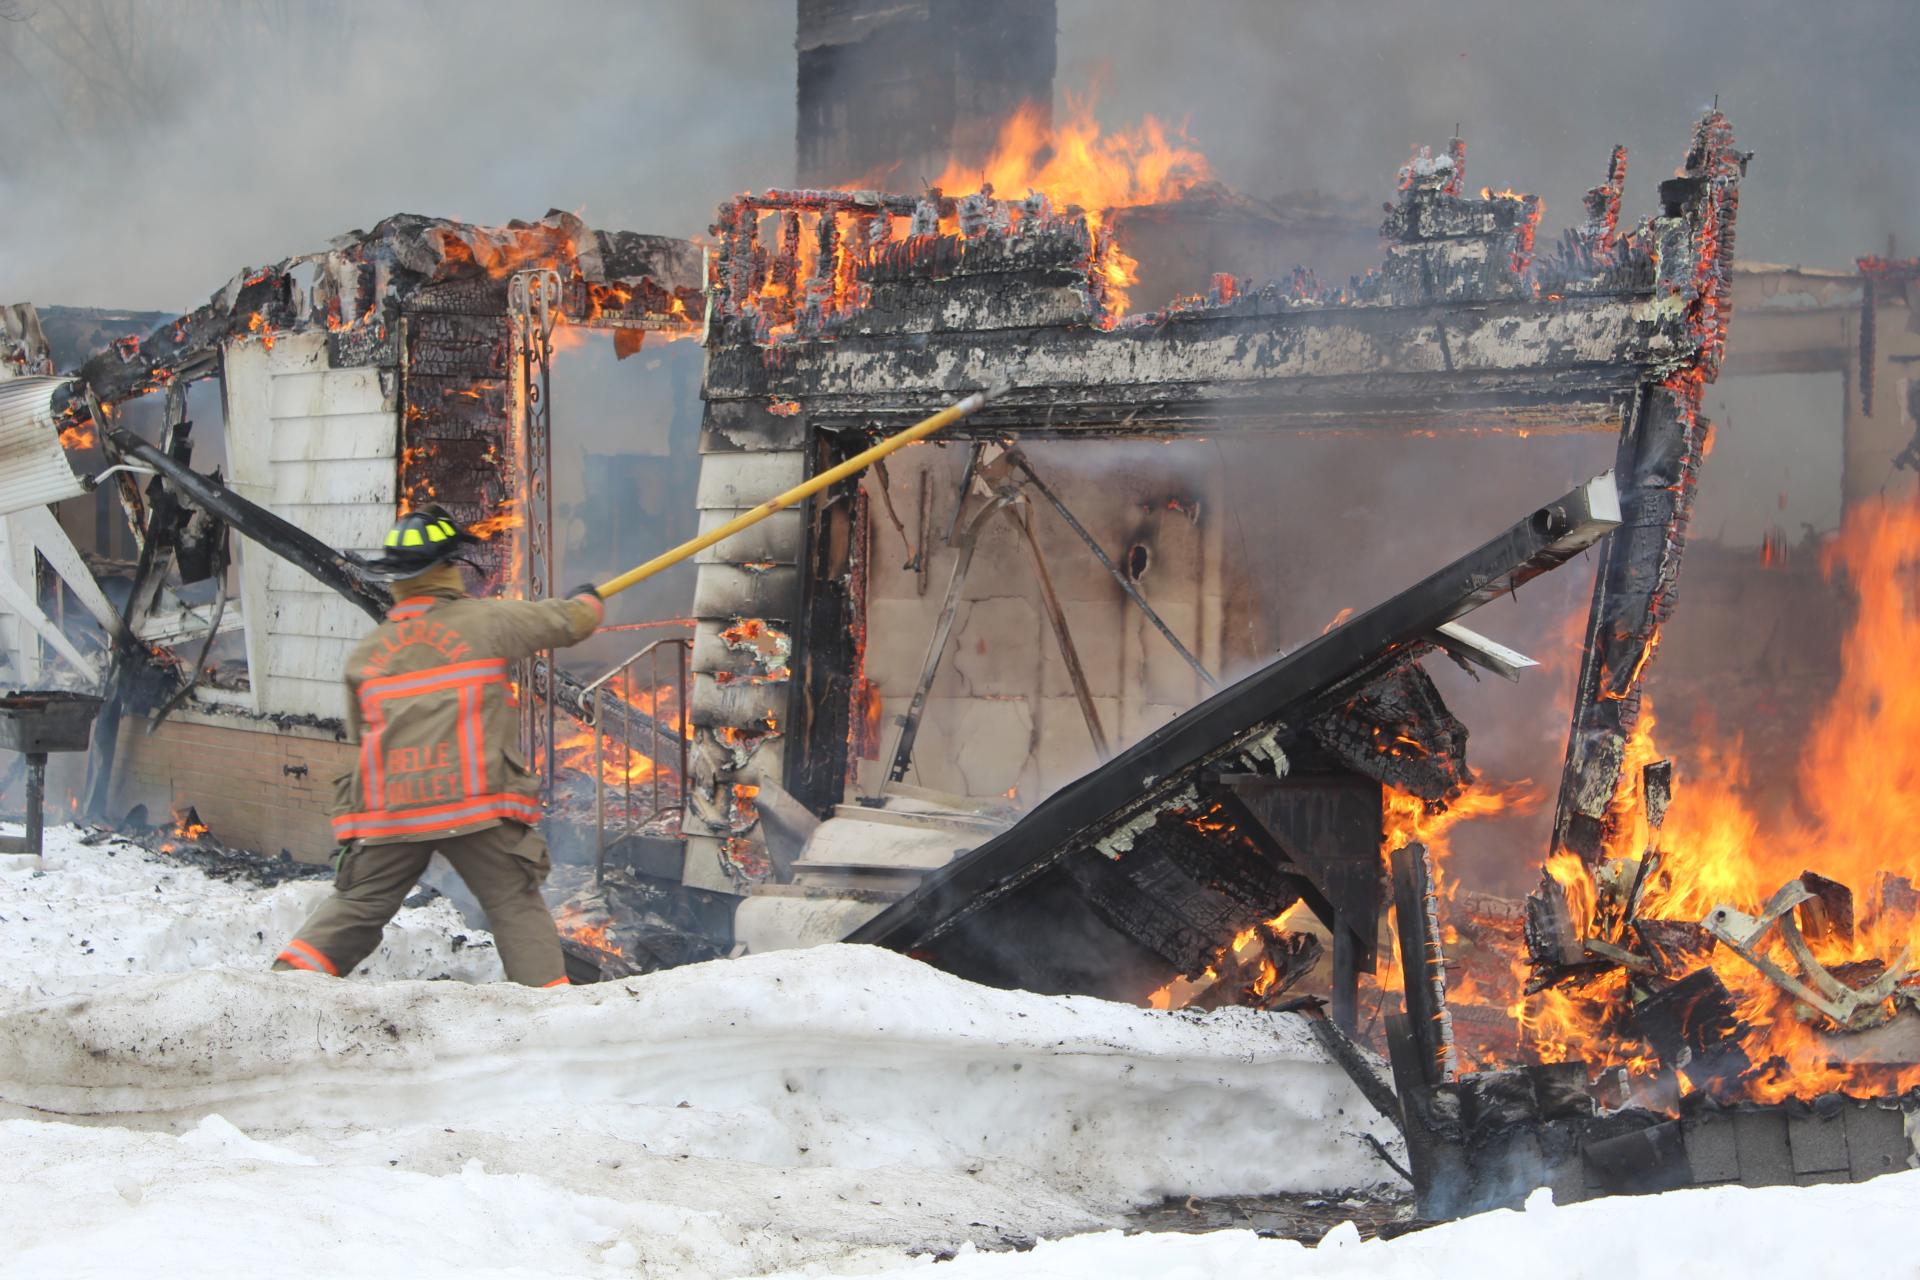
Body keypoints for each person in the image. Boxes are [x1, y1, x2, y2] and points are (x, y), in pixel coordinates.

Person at [273, 505, 603, 987]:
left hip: (390, 810)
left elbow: (361, 737)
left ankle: (281, 990)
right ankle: (551, 1013)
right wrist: (588, 599)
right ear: (449, 565)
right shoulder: (486, 621)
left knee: (357, 904)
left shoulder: (368, 653)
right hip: (472, 806)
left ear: (397, 578)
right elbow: (569, 622)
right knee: (513, 903)